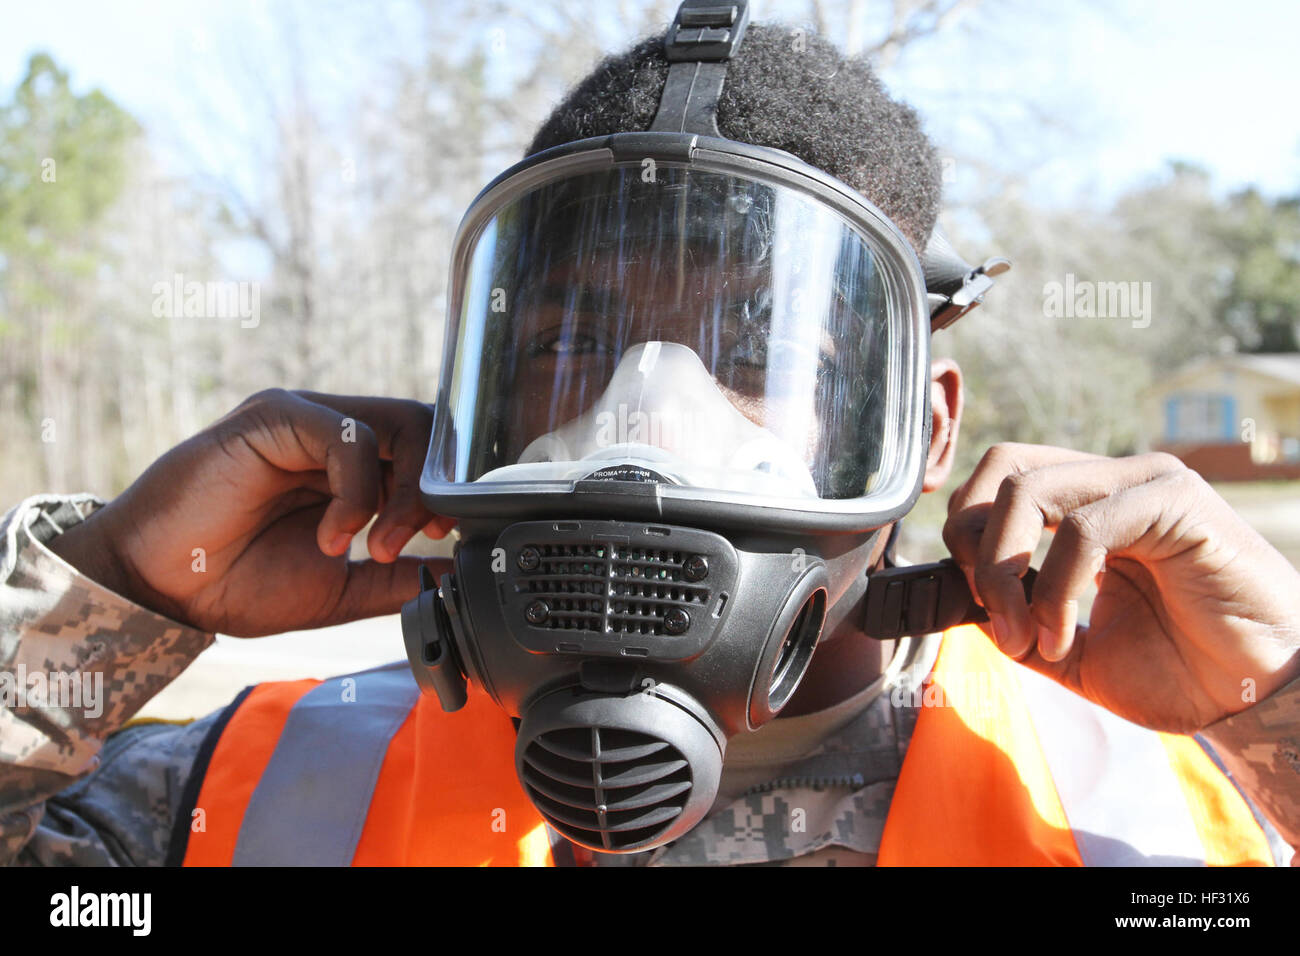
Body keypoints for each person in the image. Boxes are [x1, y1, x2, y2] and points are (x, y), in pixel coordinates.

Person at [2, 17, 1298, 868]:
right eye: (569, 343)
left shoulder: (1163, 814)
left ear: (922, 427)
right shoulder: (255, 797)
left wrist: (1279, 701)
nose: (646, 419)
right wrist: (108, 600)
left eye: (758, 347)